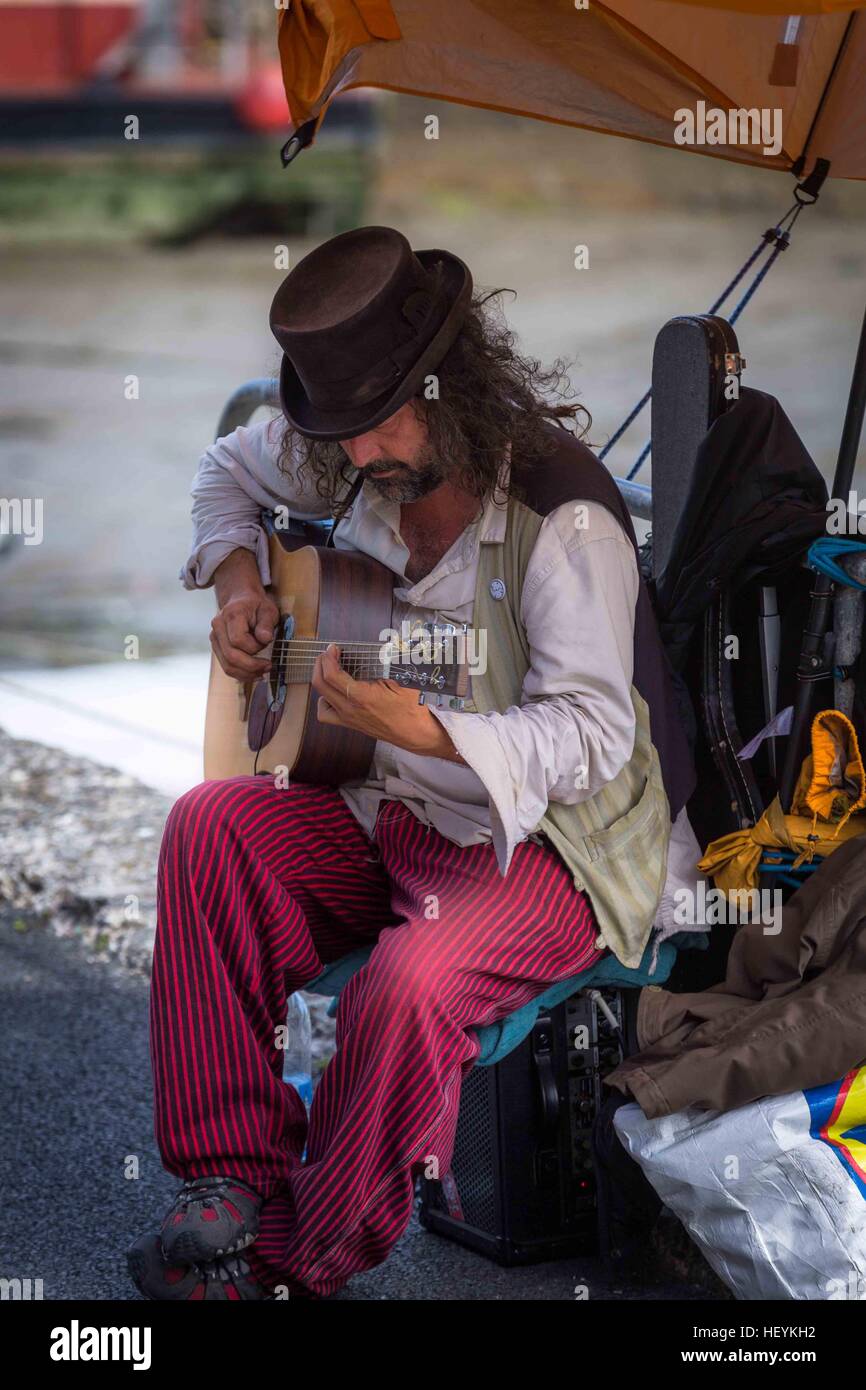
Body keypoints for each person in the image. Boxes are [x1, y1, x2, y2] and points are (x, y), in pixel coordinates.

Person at [128, 225, 698, 1300]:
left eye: (381, 423)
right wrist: (240, 588)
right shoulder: (343, 452)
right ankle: (228, 1177)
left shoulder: (558, 520)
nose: (362, 455)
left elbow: (588, 736)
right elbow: (221, 473)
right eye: (342, 431)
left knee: (409, 982)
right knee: (209, 827)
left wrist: (427, 726)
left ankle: (296, 1261)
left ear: (454, 384)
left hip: (544, 844)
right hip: (392, 808)